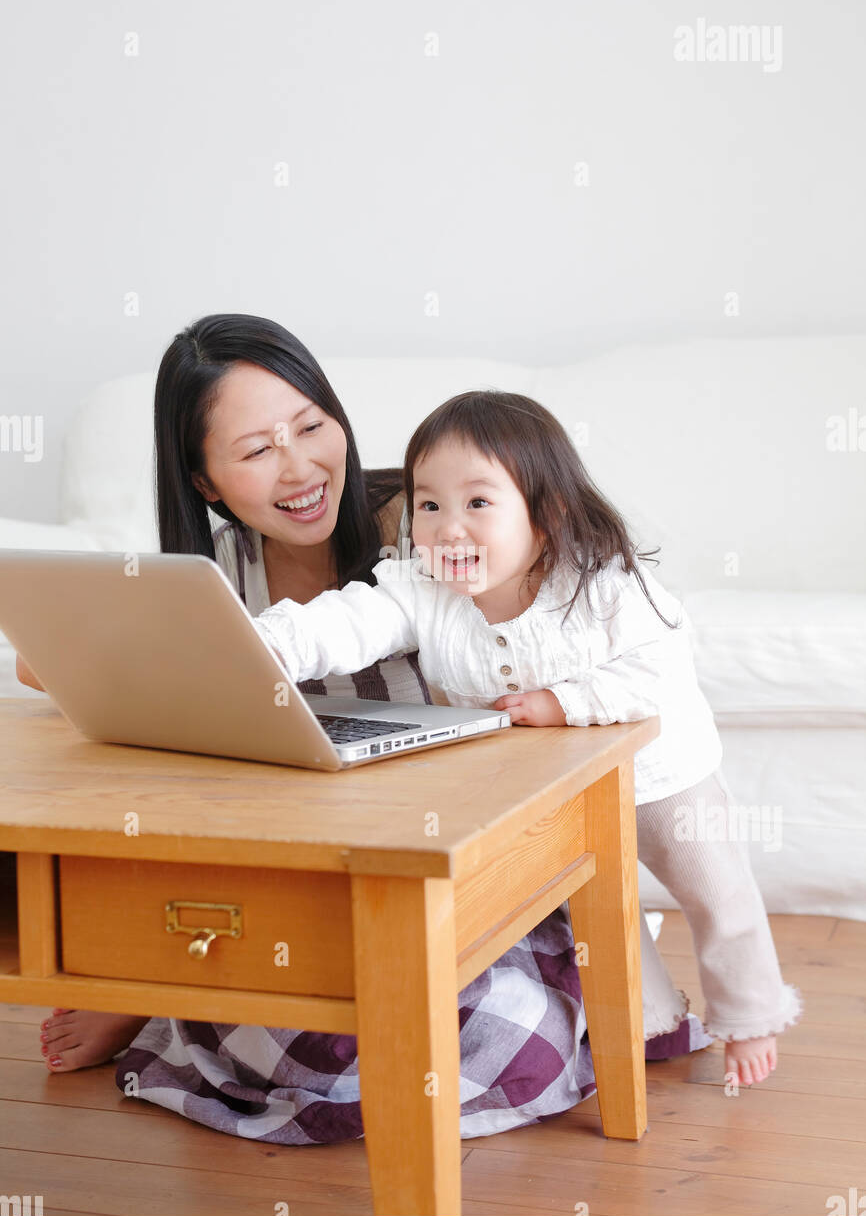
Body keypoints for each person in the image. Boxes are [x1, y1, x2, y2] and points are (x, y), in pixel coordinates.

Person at [24, 315, 716, 1146]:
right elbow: (44, 660)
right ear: (204, 481)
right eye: (257, 450)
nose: (300, 468)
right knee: (300, 1041)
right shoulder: (214, 574)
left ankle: (176, 991)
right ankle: (159, 981)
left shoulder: (430, 526)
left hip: (449, 856)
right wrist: (131, 652)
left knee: (503, 1035)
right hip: (300, 875)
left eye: (312, 425)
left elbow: (567, 623)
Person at [252, 387, 803, 1090]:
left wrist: (561, 702)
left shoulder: (602, 583)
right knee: (599, 911)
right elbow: (348, 620)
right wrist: (266, 642)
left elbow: (658, 674)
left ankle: (751, 1016)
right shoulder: (420, 588)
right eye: (429, 505)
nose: (449, 528)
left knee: (716, 891)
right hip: (554, 792)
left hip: (664, 776)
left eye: (478, 503)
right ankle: (648, 1019)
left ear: (548, 513)